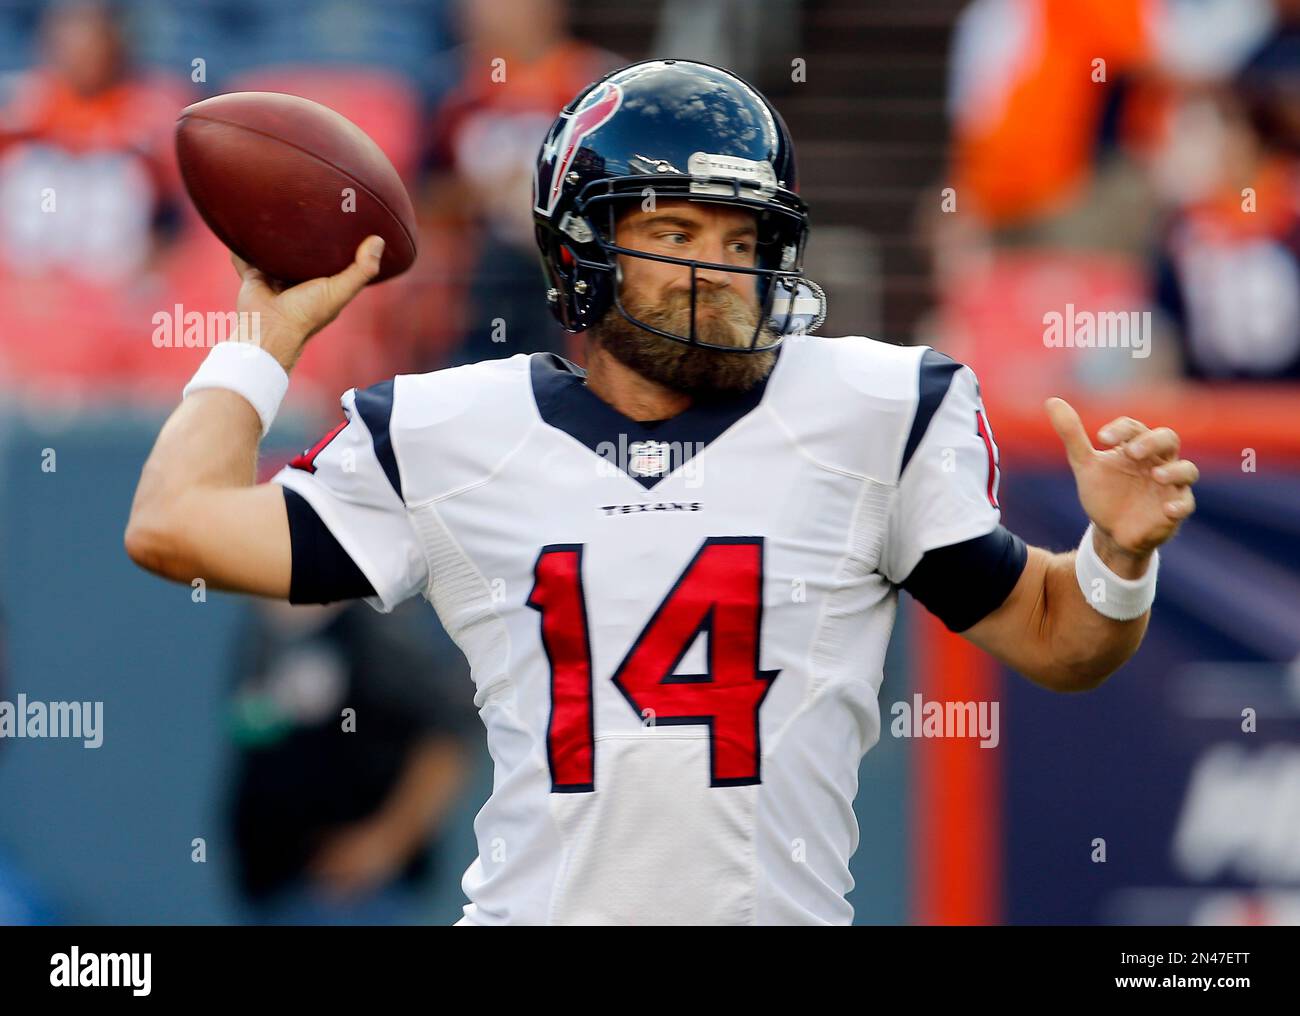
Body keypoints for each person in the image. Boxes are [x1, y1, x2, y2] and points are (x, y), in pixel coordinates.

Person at [125, 60, 1199, 926]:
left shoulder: (870, 409)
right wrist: (262, 344)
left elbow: (1062, 643)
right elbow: (174, 524)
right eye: (676, 236)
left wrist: (1116, 556)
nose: (718, 273)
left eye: (743, 241)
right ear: (581, 254)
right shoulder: (453, 432)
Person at [226, 597, 475, 925]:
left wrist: (387, 842)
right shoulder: (264, 630)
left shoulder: (381, 628)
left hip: (356, 901)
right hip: (272, 893)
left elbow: (447, 737)